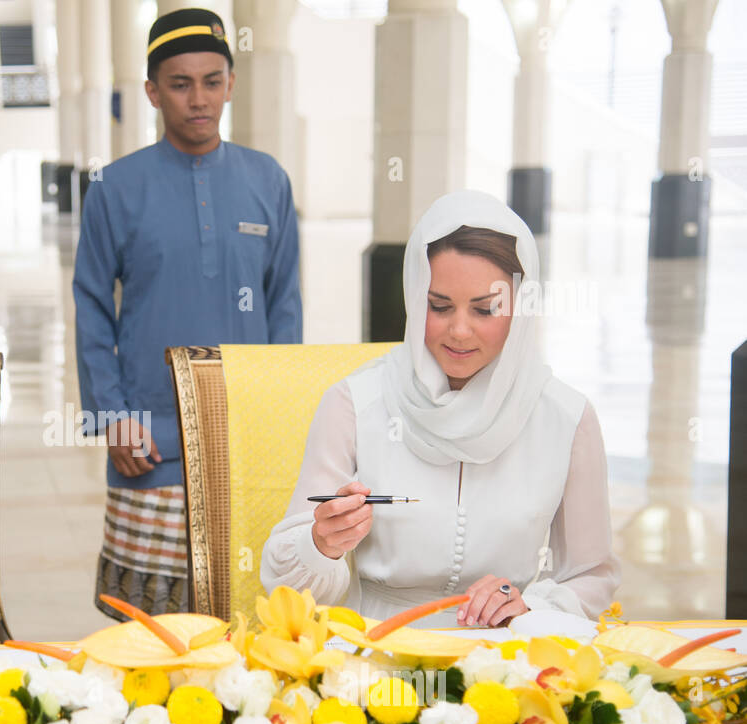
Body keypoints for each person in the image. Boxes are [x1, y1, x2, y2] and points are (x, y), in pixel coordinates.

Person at [261, 190, 619, 629]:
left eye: (485, 309)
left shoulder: (566, 418)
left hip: (505, 654)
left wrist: (531, 608)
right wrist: (322, 544)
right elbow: (286, 588)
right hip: (378, 647)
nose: (460, 331)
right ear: (415, 299)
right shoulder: (354, 403)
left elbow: (591, 576)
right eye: (439, 306)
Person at [74, 6, 301, 619]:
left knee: (249, 610)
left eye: (211, 81)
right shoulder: (115, 188)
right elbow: (91, 305)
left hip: (246, 433)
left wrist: (279, 414)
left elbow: (284, 305)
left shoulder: (268, 181)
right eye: (179, 84)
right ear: (153, 91)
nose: (198, 99)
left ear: (230, 84)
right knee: (149, 620)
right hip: (148, 440)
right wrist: (113, 415)